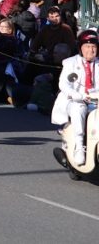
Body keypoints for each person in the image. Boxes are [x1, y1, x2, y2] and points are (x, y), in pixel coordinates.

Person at [52, 30, 99, 167]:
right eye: (87, 46)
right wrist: (77, 95)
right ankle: (79, 146)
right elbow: (64, 83)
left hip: (96, 101)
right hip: (76, 100)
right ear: (80, 48)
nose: (90, 50)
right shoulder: (70, 62)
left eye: (94, 47)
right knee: (78, 110)